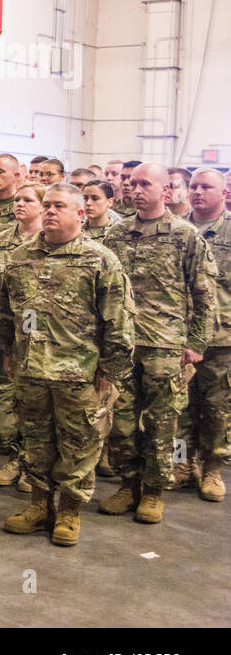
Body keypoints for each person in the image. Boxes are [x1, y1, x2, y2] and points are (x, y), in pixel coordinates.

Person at [0, 184, 135, 546]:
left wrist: (109, 371)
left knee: (80, 445)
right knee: (36, 442)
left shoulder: (99, 260)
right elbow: (5, 311)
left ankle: (70, 512)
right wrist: (7, 352)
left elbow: (118, 321)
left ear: (80, 215)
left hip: (80, 373)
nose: (50, 211)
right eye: (47, 205)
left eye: (60, 206)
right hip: (31, 369)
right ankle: (40, 505)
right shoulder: (21, 257)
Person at [101, 162, 217, 524]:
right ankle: (128, 484)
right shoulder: (117, 235)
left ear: (165, 190)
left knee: (163, 423)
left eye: (145, 183)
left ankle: (153, 491)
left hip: (166, 346)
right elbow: (102, 290)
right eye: (132, 183)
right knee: (121, 422)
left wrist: (196, 343)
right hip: (124, 346)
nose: (136, 189)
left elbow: (204, 295)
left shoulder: (185, 236)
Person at [0, 182, 45, 485]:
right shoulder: (2, 241)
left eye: (28, 200)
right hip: (8, 330)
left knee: (37, 404)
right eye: (17, 199)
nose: (20, 204)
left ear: (42, 206)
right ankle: (15, 456)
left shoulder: (52, 243)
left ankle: (35, 465)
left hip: (45, 337)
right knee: (7, 398)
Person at [185, 167, 231, 502]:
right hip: (178, 335)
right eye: (193, 186)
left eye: (206, 187)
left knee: (217, 407)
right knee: (177, 409)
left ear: (223, 192)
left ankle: (212, 467)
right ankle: (181, 463)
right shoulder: (176, 229)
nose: (198, 192)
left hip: (221, 337)